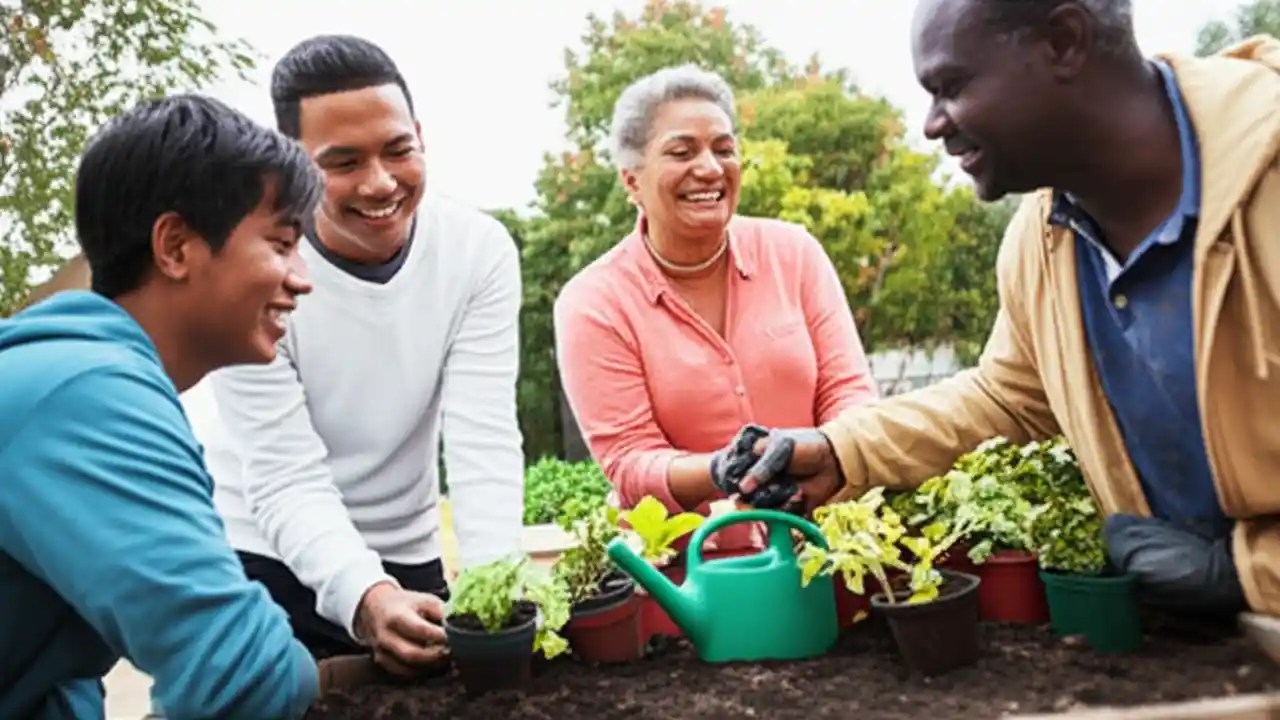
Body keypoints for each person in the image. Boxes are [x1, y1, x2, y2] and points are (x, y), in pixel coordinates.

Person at [735, 0, 1280, 620]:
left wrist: (1242, 571)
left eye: (952, 87)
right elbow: (1010, 397)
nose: (933, 125)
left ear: (1064, 42)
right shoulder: (1043, 238)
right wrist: (840, 452)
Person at [179, 33, 525, 674]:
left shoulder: (479, 253)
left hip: (404, 547)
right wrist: (364, 597)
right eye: (342, 163)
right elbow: (284, 475)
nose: (380, 183)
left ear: (421, 135)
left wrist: (495, 591)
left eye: (399, 150)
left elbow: (483, 440)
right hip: (258, 554)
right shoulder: (252, 274)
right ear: (292, 162)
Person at [0, 95, 323, 719]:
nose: (301, 276)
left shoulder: (72, 371)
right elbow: (248, 677)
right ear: (176, 246)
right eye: (281, 244)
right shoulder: (88, 391)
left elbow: (49, 673)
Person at [554, 64, 879, 555]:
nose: (709, 168)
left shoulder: (793, 253)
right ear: (632, 181)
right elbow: (629, 460)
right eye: (681, 152)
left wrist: (820, 454)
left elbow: (849, 391)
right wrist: (719, 470)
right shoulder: (594, 302)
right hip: (690, 579)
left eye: (724, 150)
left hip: (825, 550)